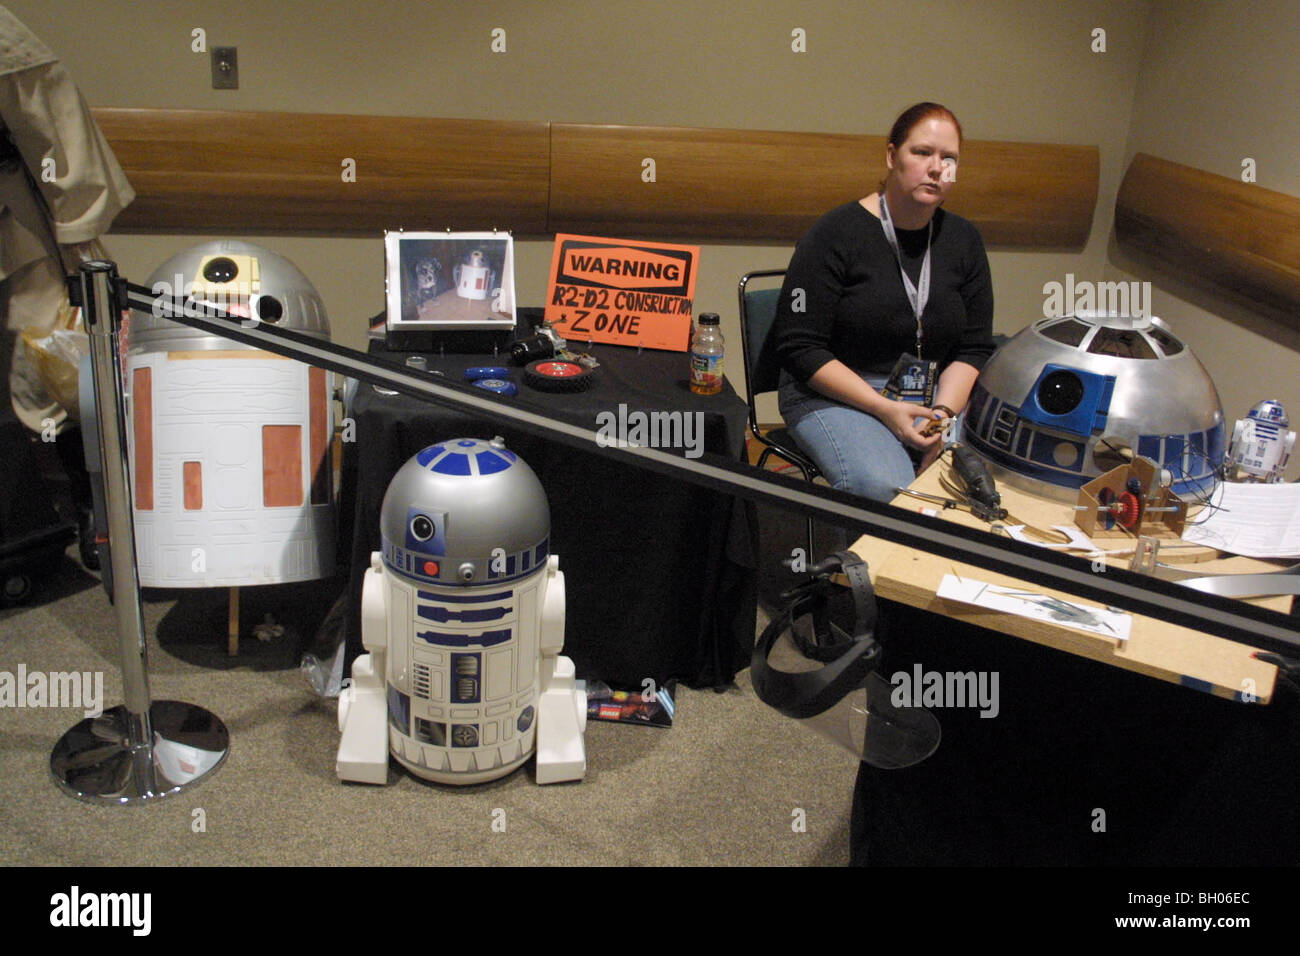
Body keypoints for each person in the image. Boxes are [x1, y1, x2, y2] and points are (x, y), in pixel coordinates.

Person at [771, 102, 994, 503]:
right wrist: (883, 408)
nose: (936, 168)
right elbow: (798, 348)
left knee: (983, 481)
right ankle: (858, 567)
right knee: (886, 489)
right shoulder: (836, 233)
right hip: (835, 392)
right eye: (922, 152)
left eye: (949, 158)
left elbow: (974, 347)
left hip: (932, 395)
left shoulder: (964, 240)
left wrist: (940, 417)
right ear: (892, 156)